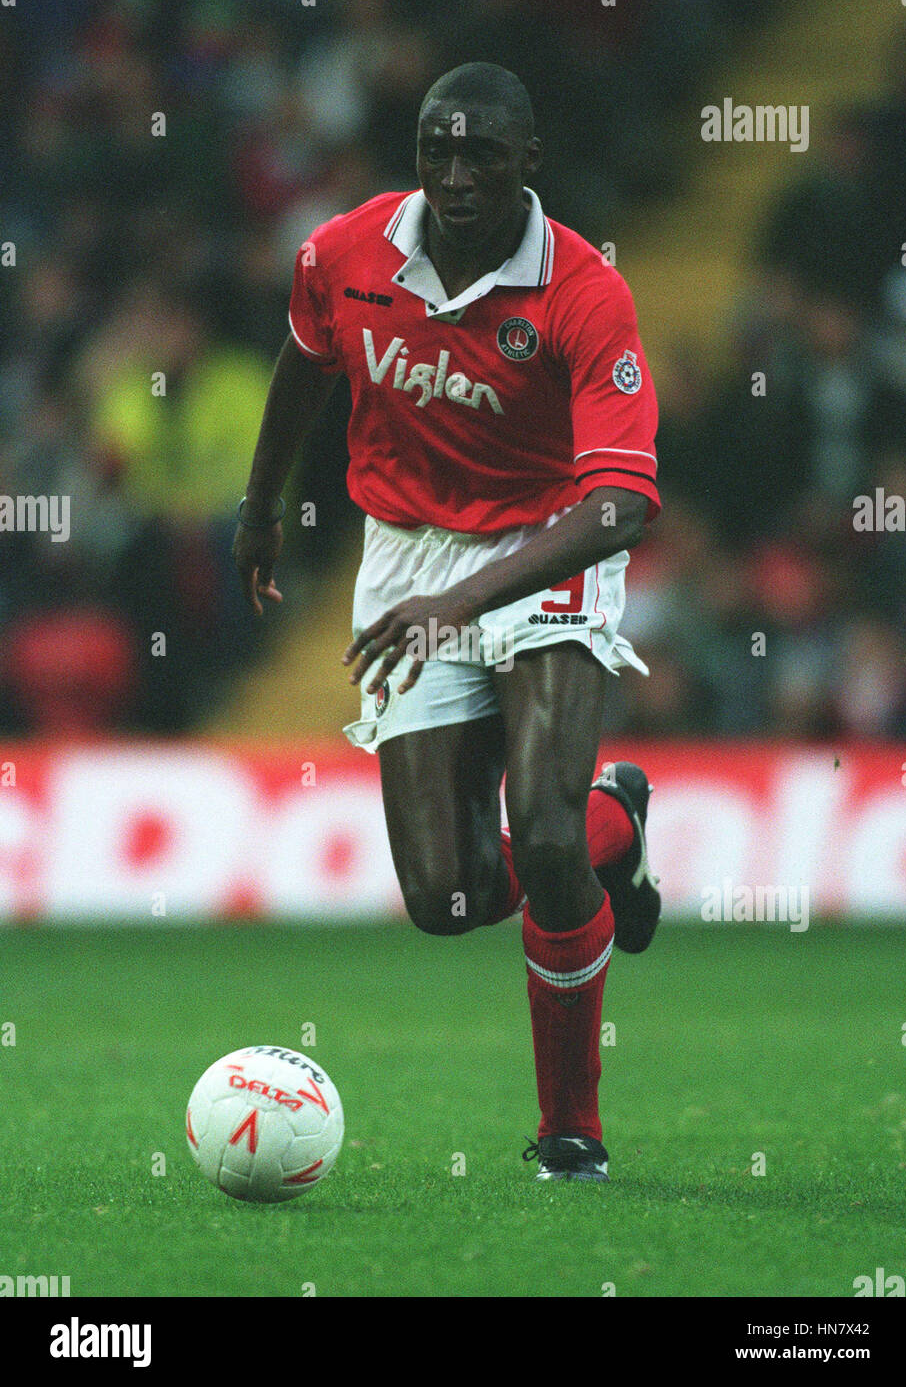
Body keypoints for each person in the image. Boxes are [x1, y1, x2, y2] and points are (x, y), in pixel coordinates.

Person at [233, 63, 661, 1182]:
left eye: (481, 156)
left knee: (545, 834)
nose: (455, 176)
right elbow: (305, 355)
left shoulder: (582, 290)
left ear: (529, 162)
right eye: (436, 151)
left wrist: (464, 600)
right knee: (448, 896)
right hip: (404, 551)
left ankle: (571, 1130)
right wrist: (259, 504)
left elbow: (623, 500)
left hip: (540, 545)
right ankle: (617, 820)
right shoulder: (346, 253)